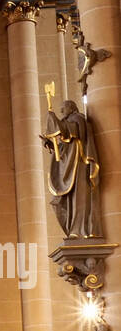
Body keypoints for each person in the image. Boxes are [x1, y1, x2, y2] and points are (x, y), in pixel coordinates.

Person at [42, 98, 101, 237]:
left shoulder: (77, 119)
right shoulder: (70, 124)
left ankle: (81, 230)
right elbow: (63, 146)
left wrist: (53, 117)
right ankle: (73, 230)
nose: (61, 111)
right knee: (68, 200)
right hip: (70, 168)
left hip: (79, 166)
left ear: (72, 108)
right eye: (60, 110)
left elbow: (68, 131)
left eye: (63, 108)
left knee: (79, 199)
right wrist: (50, 144)